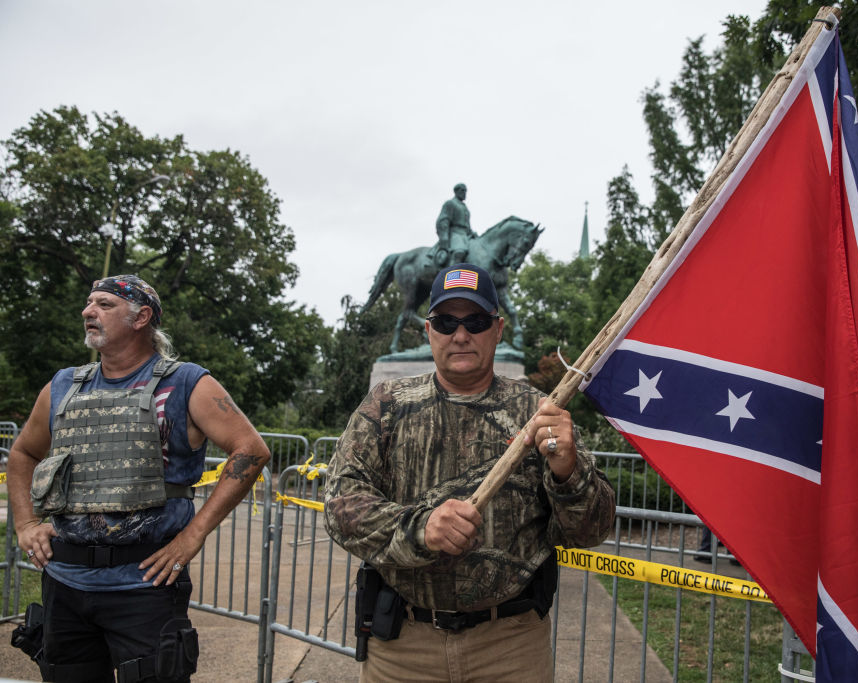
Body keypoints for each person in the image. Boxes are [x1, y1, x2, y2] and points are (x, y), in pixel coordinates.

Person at [323, 262, 616, 681]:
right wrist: (419, 529)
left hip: (511, 647)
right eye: (446, 321)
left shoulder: (539, 412)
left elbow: (591, 531)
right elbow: (339, 506)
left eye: (475, 321)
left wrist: (568, 472)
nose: (460, 335)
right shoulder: (386, 405)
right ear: (429, 331)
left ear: (497, 329)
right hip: (405, 649)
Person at [6, 274, 270, 683]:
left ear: (141, 317)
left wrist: (193, 534)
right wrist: (24, 523)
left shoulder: (185, 383)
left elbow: (251, 450)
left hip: (144, 588)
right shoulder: (63, 386)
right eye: (89, 303)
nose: (88, 311)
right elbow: (22, 453)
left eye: (104, 305)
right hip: (65, 585)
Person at [434, 183, 475, 267]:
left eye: (465, 191)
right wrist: (444, 238)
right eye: (462, 191)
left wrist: (472, 233)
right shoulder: (450, 203)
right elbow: (443, 221)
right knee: (459, 252)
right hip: (455, 234)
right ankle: (452, 276)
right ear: (456, 192)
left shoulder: (465, 207)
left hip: (465, 235)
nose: (464, 193)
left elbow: (467, 225)